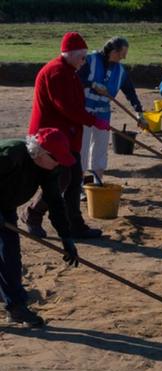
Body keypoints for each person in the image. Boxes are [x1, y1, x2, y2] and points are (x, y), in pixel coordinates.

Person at [22, 32, 110, 240]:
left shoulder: (69, 70)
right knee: (62, 179)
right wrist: (93, 120)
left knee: (73, 179)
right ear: (70, 54)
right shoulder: (57, 72)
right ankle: (32, 214)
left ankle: (74, 225)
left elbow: (74, 104)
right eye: (82, 57)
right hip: (50, 138)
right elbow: (67, 108)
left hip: (66, 136)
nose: (84, 61)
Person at [1, 129, 80, 327]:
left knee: (9, 255)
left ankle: (16, 308)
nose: (58, 163)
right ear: (40, 151)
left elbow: (55, 203)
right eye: (56, 158)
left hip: (5, 207)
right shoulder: (11, 155)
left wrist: (66, 238)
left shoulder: (49, 169)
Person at [77, 36, 145, 181]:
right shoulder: (89, 60)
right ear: (113, 51)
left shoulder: (120, 71)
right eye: (121, 54)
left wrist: (139, 113)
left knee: (100, 150)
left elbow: (130, 92)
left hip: (103, 114)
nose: (123, 58)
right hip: (83, 112)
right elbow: (75, 79)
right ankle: (79, 186)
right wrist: (92, 85)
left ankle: (98, 183)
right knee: (81, 148)